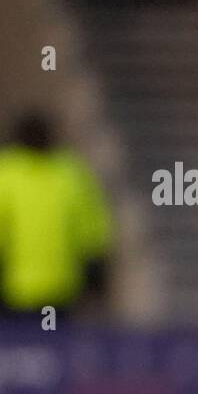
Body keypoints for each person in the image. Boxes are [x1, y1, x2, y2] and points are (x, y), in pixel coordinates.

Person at [0, 114, 113, 318]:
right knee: (52, 345)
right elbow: (92, 230)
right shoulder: (70, 173)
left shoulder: (8, 172)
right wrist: (95, 270)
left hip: (31, 288)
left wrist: (95, 270)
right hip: (46, 288)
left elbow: (91, 228)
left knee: (21, 347)